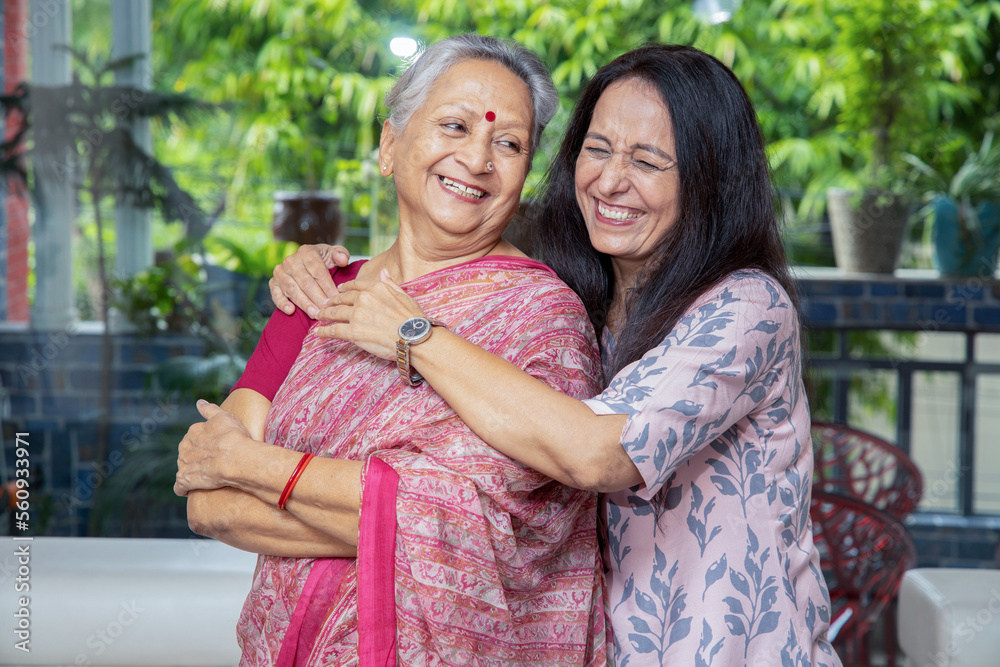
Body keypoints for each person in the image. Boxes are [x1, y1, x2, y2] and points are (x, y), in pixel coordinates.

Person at [271, 44, 843, 667]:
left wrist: (414, 334)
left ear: (708, 180)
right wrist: (323, 265)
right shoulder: (571, 304)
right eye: (597, 150)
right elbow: (452, 511)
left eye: (648, 160)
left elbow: (596, 453)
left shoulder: (745, 308)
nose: (610, 180)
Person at [174, 34, 607, 666]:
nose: (478, 158)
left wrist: (257, 468)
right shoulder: (317, 296)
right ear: (388, 145)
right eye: (453, 125)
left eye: (509, 143)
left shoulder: (541, 321)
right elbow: (212, 503)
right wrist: (402, 524)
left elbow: (494, 534)